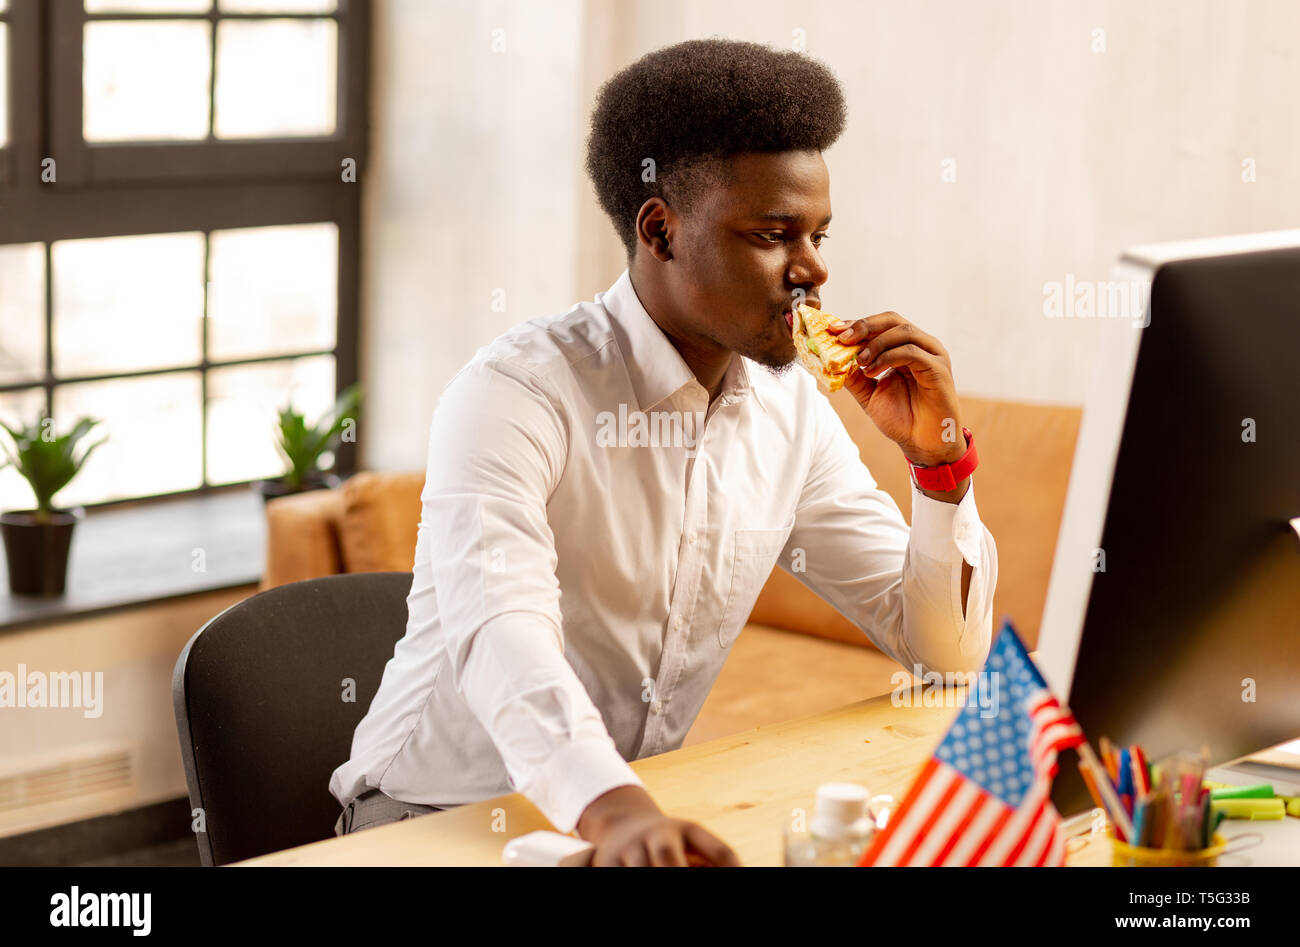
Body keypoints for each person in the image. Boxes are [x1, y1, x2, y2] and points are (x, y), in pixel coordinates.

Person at [330, 37, 997, 866]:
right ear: (661, 231)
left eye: (820, 235)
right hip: (435, 820)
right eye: (772, 235)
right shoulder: (516, 392)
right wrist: (617, 813)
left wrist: (938, 467)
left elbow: (945, 650)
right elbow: (502, 633)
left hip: (635, 822)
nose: (812, 271)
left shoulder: (790, 407)